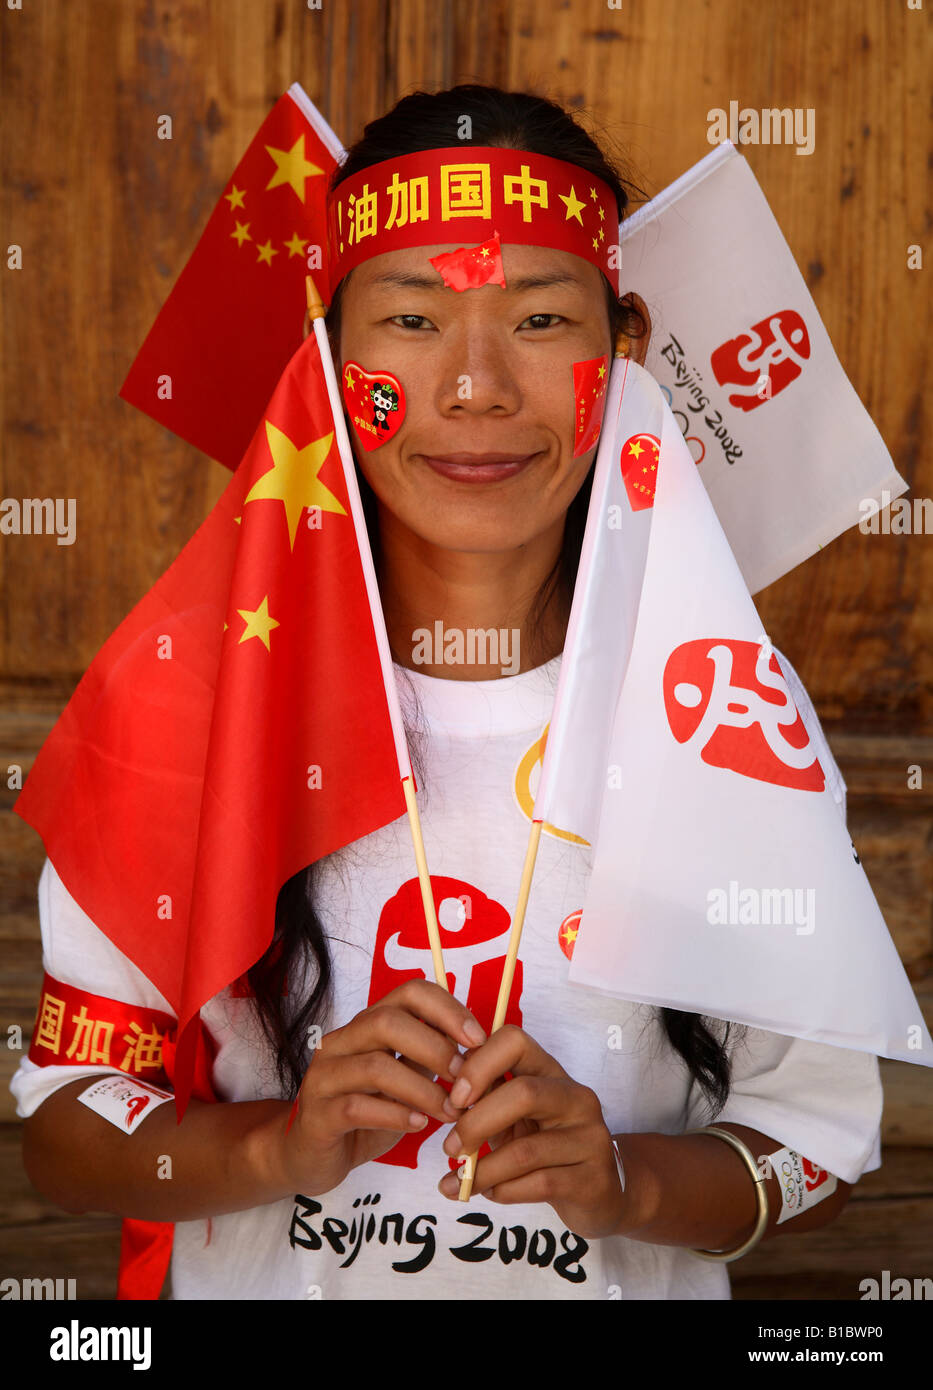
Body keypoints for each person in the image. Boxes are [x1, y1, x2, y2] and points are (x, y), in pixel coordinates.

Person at [12, 83, 882, 1301]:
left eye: (538, 319)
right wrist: (281, 1144)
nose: (476, 387)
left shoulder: (727, 709)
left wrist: (620, 1183)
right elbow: (63, 1132)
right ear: (325, 355)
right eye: (412, 319)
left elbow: (812, 1139)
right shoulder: (190, 702)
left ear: (619, 347)